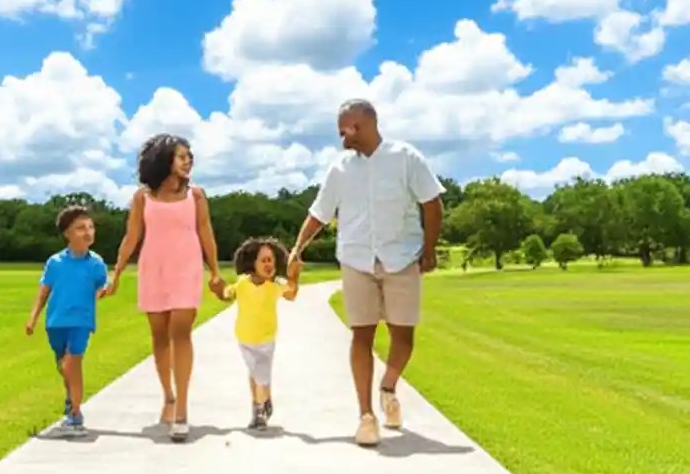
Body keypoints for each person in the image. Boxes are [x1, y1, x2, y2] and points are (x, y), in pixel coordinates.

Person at [288, 99, 444, 447]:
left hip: (401, 257)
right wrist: (297, 249)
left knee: (403, 337)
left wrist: (429, 249)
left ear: (363, 124)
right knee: (362, 335)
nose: (343, 139)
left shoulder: (406, 158)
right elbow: (319, 213)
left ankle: (387, 386)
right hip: (356, 259)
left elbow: (432, 203)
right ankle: (366, 416)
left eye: (346, 130)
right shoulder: (340, 169)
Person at [105, 133, 223, 442]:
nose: (188, 161)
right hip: (153, 270)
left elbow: (205, 232)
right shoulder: (142, 198)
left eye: (189, 156)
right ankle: (168, 397)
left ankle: (182, 407)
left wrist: (215, 271)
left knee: (180, 332)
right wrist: (115, 274)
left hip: (186, 268)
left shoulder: (196, 196)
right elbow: (131, 238)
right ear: (164, 160)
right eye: (181, 156)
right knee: (159, 335)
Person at [24, 205, 109, 436]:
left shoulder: (96, 263)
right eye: (80, 228)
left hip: (81, 321)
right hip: (56, 323)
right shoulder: (55, 263)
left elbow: (103, 285)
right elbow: (44, 291)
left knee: (72, 365)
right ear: (67, 234)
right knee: (65, 368)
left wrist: (103, 291)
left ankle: (75, 416)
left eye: (90, 227)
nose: (88, 232)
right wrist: (33, 318)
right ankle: (71, 403)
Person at [214, 237, 301, 430]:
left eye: (271, 260)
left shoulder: (276, 285)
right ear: (252, 263)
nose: (268, 264)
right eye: (263, 260)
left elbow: (292, 294)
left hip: (266, 339)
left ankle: (261, 410)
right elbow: (227, 294)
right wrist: (218, 289)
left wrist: (294, 276)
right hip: (244, 338)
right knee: (255, 374)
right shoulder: (242, 283)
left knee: (261, 374)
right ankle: (259, 405)